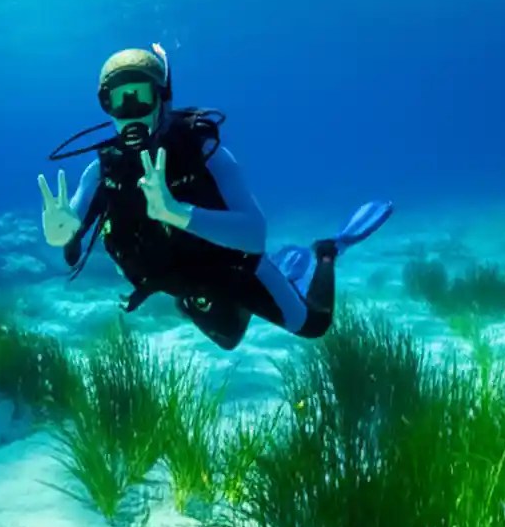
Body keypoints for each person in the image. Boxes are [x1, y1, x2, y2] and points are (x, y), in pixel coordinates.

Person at [37, 44, 392, 351]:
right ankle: (271, 276)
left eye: (140, 97)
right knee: (228, 339)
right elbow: (71, 229)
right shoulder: (101, 170)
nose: (131, 113)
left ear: (162, 99)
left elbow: (254, 234)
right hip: (184, 281)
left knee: (313, 325)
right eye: (119, 101)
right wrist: (61, 235)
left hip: (232, 269)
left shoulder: (202, 150)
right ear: (106, 107)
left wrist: (177, 213)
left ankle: (327, 253)